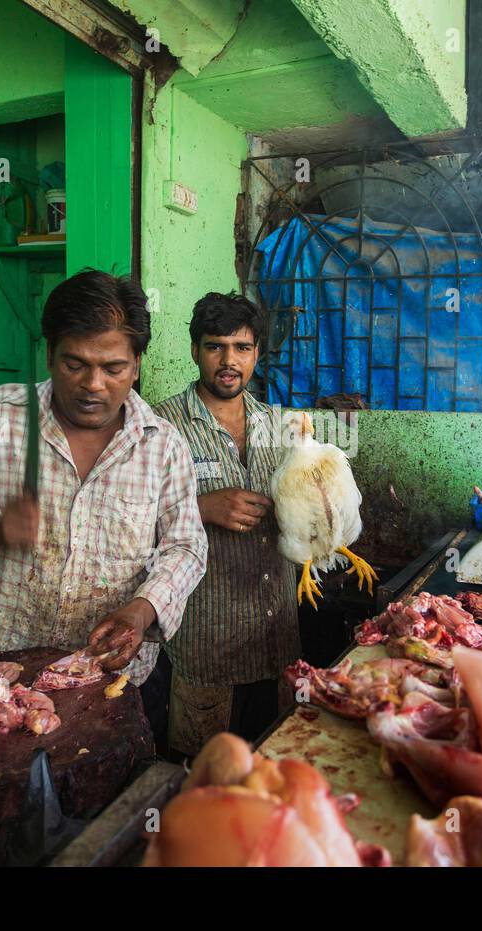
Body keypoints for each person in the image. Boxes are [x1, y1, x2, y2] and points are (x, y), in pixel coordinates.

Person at [0, 270, 208, 684]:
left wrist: (142, 608)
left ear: (136, 366)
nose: (93, 385)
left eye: (113, 368)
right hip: (3, 671)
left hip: (111, 675)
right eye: (74, 364)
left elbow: (186, 547)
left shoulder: (163, 446)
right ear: (49, 356)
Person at [152, 292, 302, 756]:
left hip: (276, 637)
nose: (228, 361)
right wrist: (200, 508)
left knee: (272, 767)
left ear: (257, 353)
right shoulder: (161, 424)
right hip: (205, 642)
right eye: (215, 346)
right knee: (200, 776)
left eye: (242, 347)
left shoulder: (277, 424)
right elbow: (126, 517)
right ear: (195, 349)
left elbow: (300, 511)